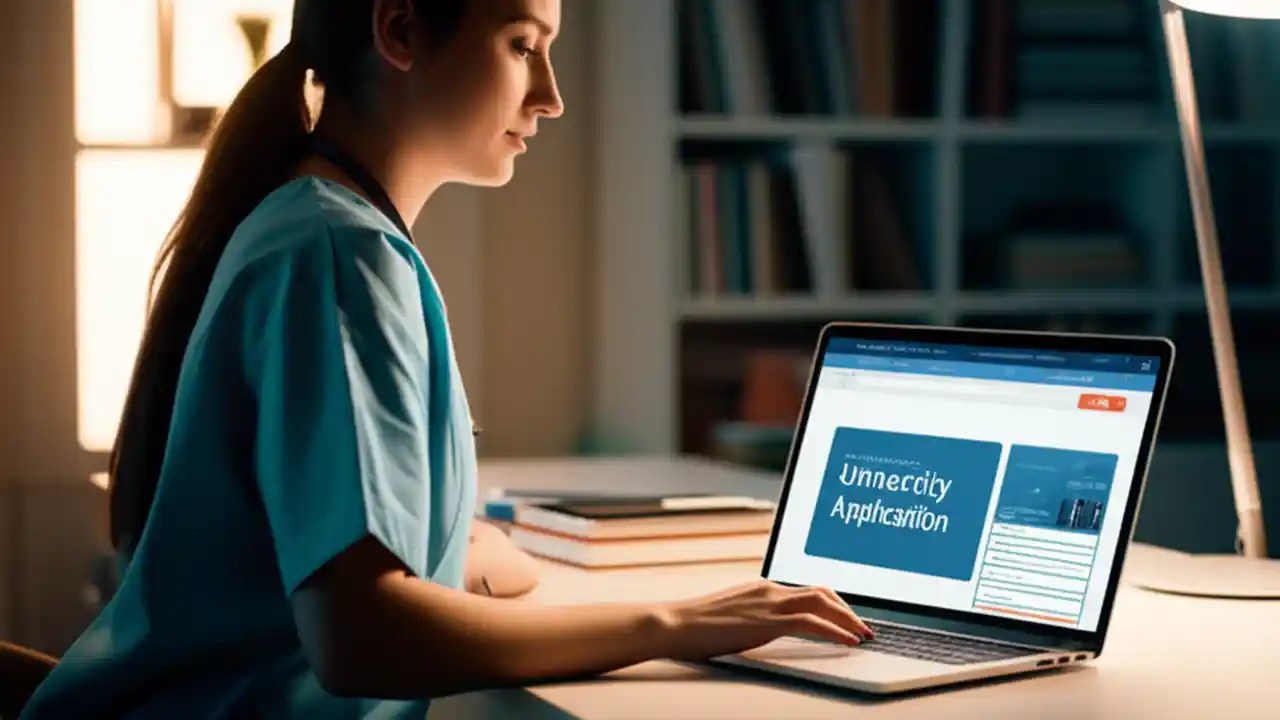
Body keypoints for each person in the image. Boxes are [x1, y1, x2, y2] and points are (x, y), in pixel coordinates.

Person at [21, 0, 871, 717]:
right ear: (399, 32)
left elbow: (358, 540)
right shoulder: (338, 256)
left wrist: (470, 546)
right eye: (523, 46)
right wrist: (678, 622)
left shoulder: (316, 227)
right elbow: (363, 638)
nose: (552, 98)